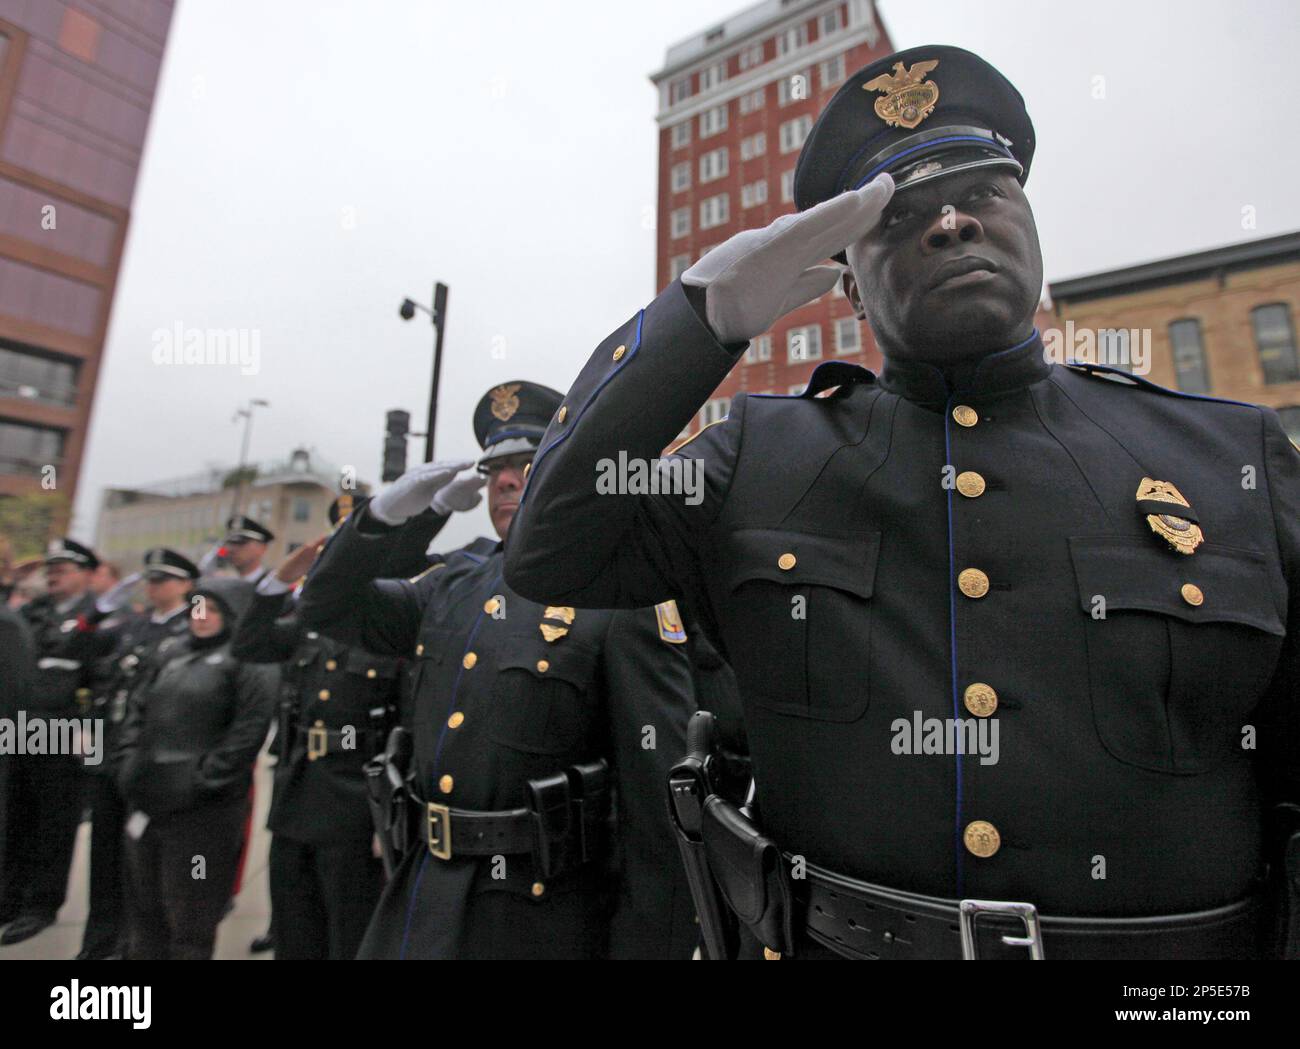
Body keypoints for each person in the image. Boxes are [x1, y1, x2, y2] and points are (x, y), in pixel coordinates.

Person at [504, 45, 1300, 960]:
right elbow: (551, 546)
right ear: (847, 286)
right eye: (904, 216)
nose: (953, 222)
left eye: (985, 194)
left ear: (1033, 226)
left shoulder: (1229, 456)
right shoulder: (760, 456)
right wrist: (701, 316)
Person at [296, 381, 700, 959]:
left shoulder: (616, 593)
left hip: (536, 915)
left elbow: (658, 820)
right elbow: (323, 606)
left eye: (529, 463)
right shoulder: (451, 582)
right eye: (496, 468)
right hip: (419, 893)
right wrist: (390, 517)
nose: (507, 480)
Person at [230, 494, 434, 959]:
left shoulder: (398, 619)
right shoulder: (311, 619)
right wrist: (280, 579)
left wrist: (399, 821)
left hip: (357, 806)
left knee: (350, 935)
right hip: (299, 791)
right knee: (295, 929)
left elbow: (414, 723)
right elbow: (251, 644)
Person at [115, 576, 277, 960]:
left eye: (213, 608)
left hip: (203, 817)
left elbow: (248, 731)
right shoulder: (170, 653)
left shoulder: (250, 661)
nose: (201, 617)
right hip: (149, 802)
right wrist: (129, 765)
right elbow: (136, 712)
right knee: (145, 914)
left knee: (191, 917)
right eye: (196, 607)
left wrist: (202, 780)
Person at [64, 548, 199, 959]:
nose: (153, 586)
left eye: (163, 579)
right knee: (103, 857)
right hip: (108, 754)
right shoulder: (132, 625)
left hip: (148, 761)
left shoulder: (191, 630)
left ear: (186, 585)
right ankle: (98, 941)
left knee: (140, 863)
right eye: (150, 579)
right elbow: (77, 646)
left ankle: (131, 943)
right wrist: (101, 608)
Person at [0, 538, 100, 946]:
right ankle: (9, 896)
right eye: (52, 568)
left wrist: (91, 737)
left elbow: (104, 681)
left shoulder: (98, 617)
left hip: (64, 734)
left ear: (87, 575)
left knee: (54, 823)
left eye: (65, 568)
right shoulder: (30, 612)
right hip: (20, 729)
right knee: (15, 817)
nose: (55, 574)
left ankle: (41, 903)